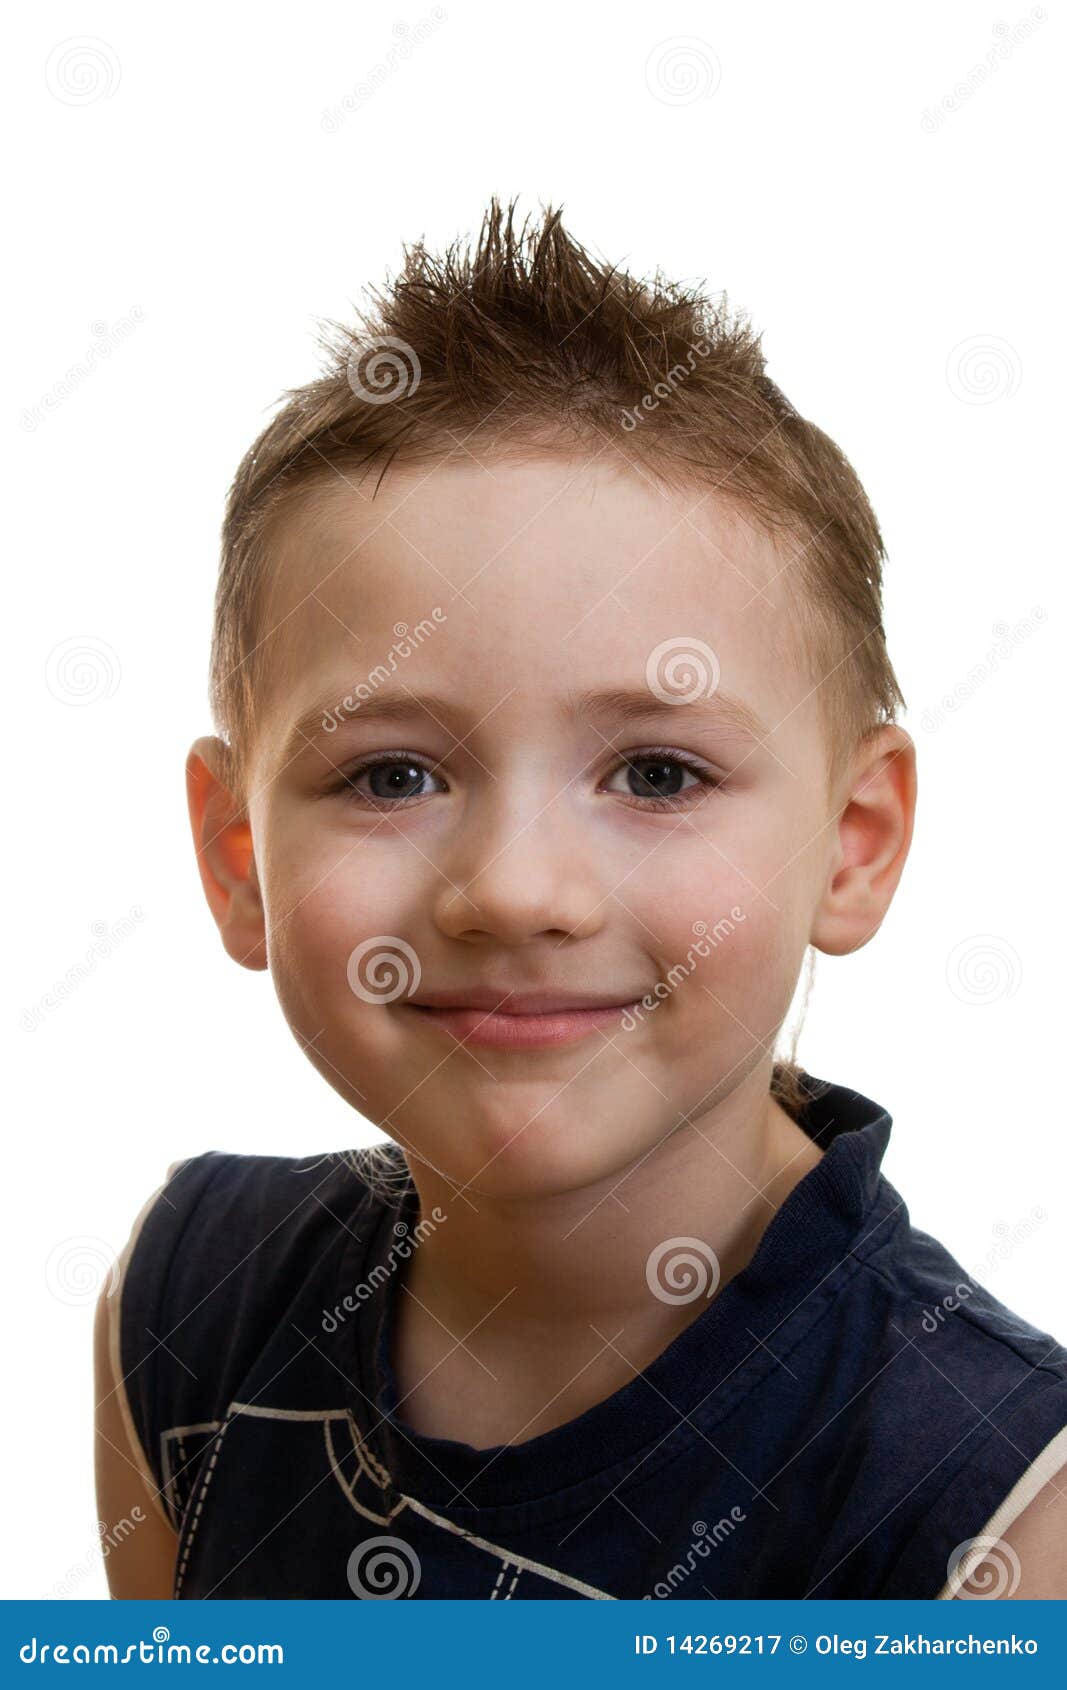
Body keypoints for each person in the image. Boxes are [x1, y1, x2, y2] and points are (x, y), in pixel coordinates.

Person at [94, 197, 1067, 1600]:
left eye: (658, 773)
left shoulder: (999, 1506)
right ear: (238, 856)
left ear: (853, 843)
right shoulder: (185, 1312)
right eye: (391, 775)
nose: (514, 890)